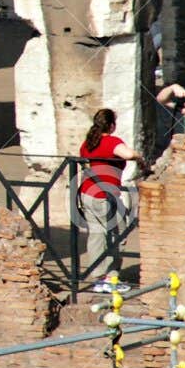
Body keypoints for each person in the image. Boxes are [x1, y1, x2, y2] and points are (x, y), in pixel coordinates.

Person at [77, 108, 148, 292]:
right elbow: (128, 154)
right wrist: (140, 157)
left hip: (87, 193)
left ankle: (99, 278)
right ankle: (110, 277)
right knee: (119, 234)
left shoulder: (88, 143)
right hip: (105, 196)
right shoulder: (110, 142)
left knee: (97, 234)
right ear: (111, 125)